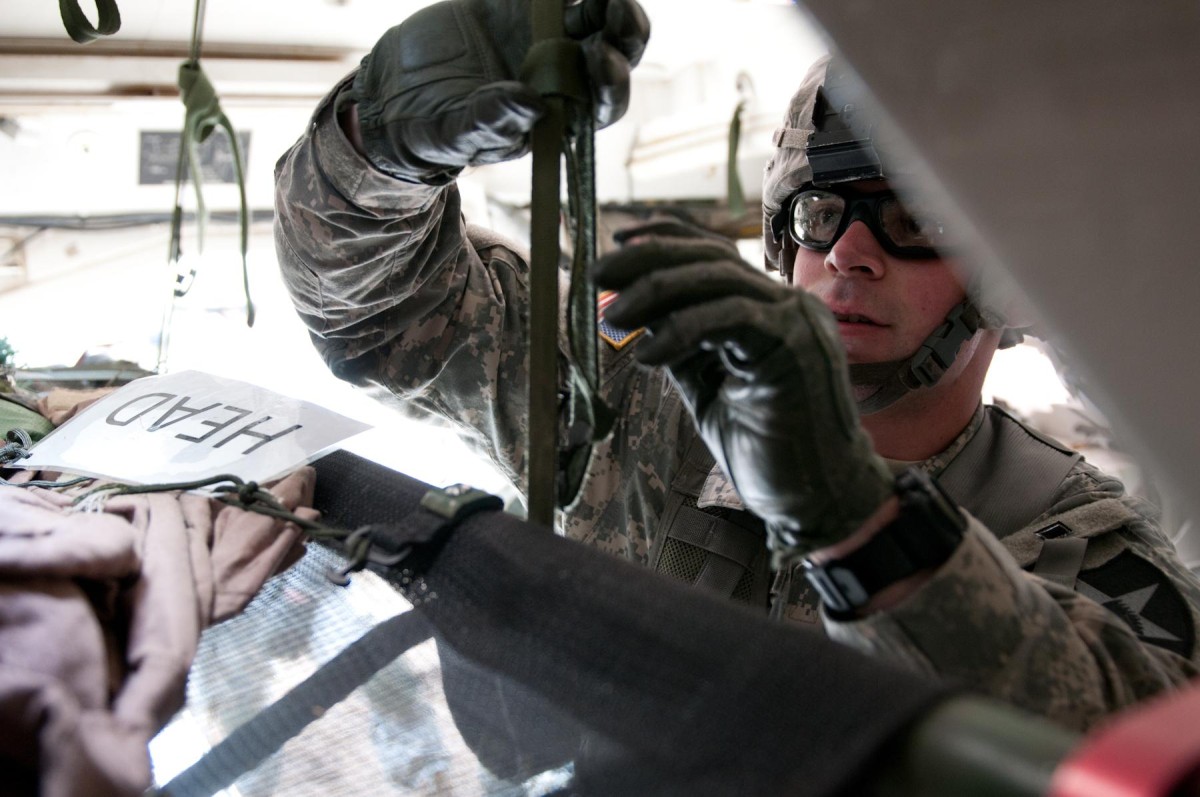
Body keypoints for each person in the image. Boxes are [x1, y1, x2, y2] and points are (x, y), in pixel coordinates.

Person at [274, 1, 1200, 729]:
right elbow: (384, 315)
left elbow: (1135, 746)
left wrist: (861, 522)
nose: (848, 255)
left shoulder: (1087, 549)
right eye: (821, 216)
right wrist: (379, 142)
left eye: (916, 223)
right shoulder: (634, 401)